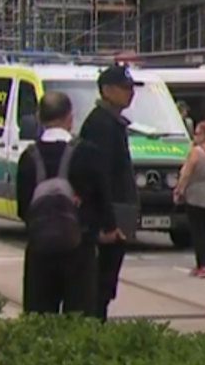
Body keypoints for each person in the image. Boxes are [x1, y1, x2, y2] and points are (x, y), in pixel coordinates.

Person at [17, 93, 120, 316]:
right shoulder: (88, 153)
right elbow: (104, 199)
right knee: (78, 316)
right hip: (80, 248)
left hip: (39, 249)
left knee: (39, 317)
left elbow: (23, 208)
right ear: (70, 118)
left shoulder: (28, 157)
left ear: (39, 118)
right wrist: (109, 229)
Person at [78, 64, 137, 322]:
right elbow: (98, 177)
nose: (130, 93)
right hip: (105, 221)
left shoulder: (113, 122)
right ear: (107, 90)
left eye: (131, 88)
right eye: (124, 88)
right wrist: (107, 224)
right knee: (98, 288)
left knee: (105, 287)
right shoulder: (101, 125)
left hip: (116, 215)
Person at [175, 121, 205, 277]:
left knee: (198, 232)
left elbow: (186, 173)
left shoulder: (196, 152)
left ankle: (202, 265)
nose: (194, 136)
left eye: (197, 133)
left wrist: (179, 190)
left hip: (196, 197)